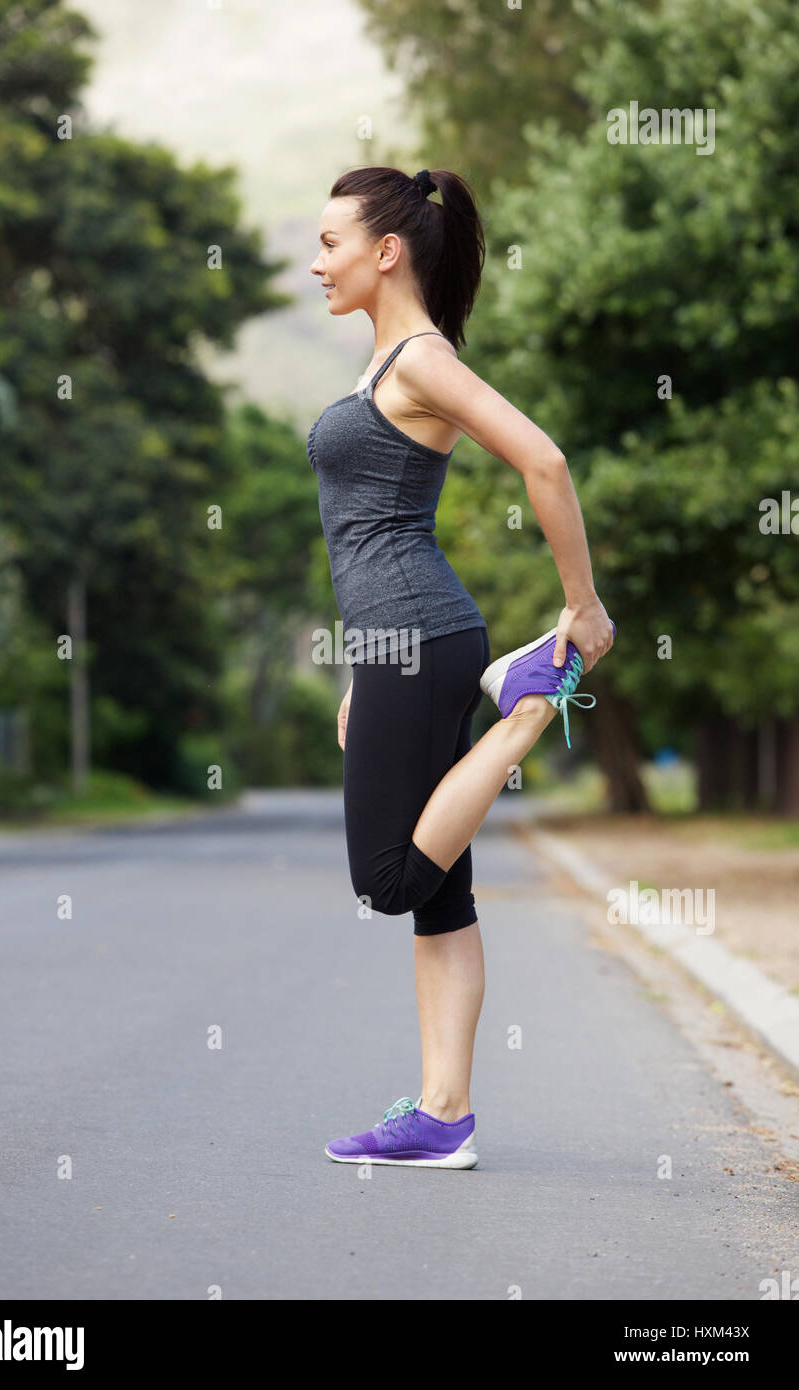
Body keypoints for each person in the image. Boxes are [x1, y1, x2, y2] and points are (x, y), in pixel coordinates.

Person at [307, 167, 615, 1169]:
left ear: (384, 252)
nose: (316, 263)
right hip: (403, 640)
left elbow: (545, 460)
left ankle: (527, 704)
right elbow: (372, 525)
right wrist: (365, 667)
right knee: (440, 899)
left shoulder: (421, 360)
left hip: (421, 633)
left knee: (388, 878)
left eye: (329, 243)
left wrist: (581, 605)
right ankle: (443, 1116)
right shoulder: (385, 359)